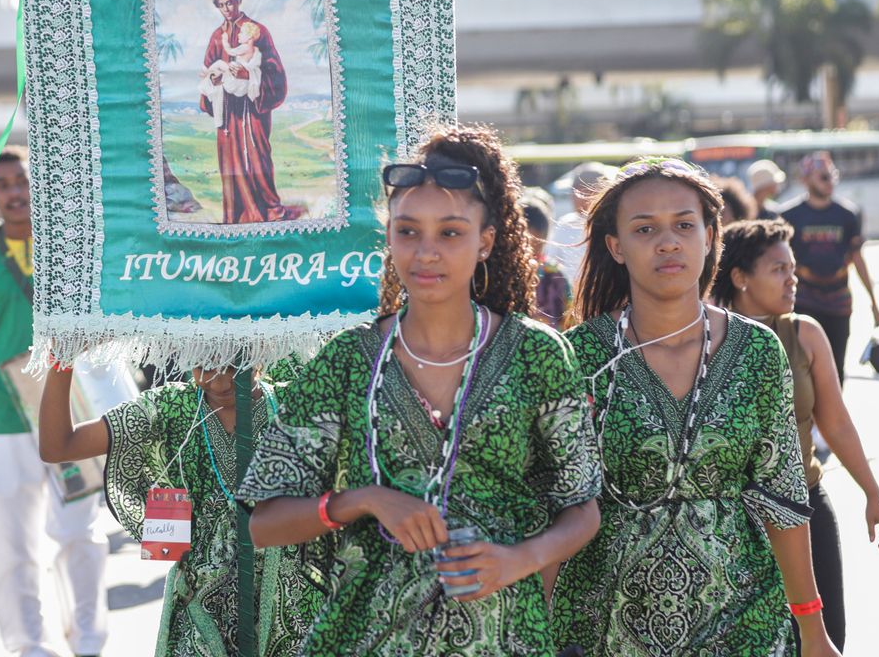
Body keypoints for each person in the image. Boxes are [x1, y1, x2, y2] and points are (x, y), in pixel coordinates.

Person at [240, 124, 602, 655]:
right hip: (365, 639)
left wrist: (518, 560)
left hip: (503, 638)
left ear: (486, 242)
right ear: (389, 237)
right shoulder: (347, 360)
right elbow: (265, 524)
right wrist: (363, 500)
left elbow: (582, 509)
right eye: (408, 231)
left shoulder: (538, 354)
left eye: (450, 233)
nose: (426, 252)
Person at [553, 157, 836, 657]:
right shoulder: (579, 357)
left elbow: (784, 498)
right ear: (616, 247)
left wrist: (813, 630)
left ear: (709, 237)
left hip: (743, 623)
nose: (668, 242)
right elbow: (556, 507)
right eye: (645, 229)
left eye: (684, 225)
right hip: (608, 628)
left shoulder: (757, 351)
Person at [0, 149, 110, 657]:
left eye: (23, 181)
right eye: (4, 185)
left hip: (73, 412)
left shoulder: (74, 246)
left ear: (41, 185)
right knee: (10, 546)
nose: (15, 193)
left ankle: (89, 642)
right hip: (1, 416)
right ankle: (29, 647)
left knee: (80, 532)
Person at [39, 358, 322, 656]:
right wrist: (61, 362)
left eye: (232, 366)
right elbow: (59, 447)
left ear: (260, 355)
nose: (219, 382)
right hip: (200, 614)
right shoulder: (169, 410)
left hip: (292, 609)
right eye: (205, 367)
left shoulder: (296, 405)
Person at [714, 218, 879, 651]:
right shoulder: (709, 336)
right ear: (740, 277)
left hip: (807, 503)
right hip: (735, 517)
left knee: (827, 639)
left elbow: (836, 423)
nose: (792, 279)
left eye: (792, 269)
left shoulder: (804, 332)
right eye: (779, 269)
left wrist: (872, 493)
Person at [781, 151, 879, 385]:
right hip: (803, 300)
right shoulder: (789, 216)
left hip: (838, 302)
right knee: (802, 367)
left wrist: (873, 301)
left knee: (836, 367)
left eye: (832, 175)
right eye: (823, 177)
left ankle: (833, 409)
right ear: (805, 179)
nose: (830, 181)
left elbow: (858, 258)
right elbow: (779, 262)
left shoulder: (848, 214)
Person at [199, 0, 298, 225]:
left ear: (238, 1)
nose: (226, 9)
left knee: (258, 154)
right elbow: (209, 68)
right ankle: (236, 214)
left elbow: (275, 70)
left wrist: (249, 76)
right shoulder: (217, 36)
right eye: (221, 5)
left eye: (230, 3)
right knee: (229, 160)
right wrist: (213, 79)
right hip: (227, 109)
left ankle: (271, 208)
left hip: (253, 107)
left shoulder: (257, 31)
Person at [546, 161, 616, 283]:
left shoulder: (612, 224)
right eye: (573, 192)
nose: (574, 197)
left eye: (580, 192)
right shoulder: (565, 224)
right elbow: (552, 260)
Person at [523, 196, 571, 328]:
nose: (530, 254)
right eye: (524, 245)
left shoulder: (555, 276)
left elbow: (569, 320)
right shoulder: (503, 275)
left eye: (536, 245)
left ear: (545, 240)